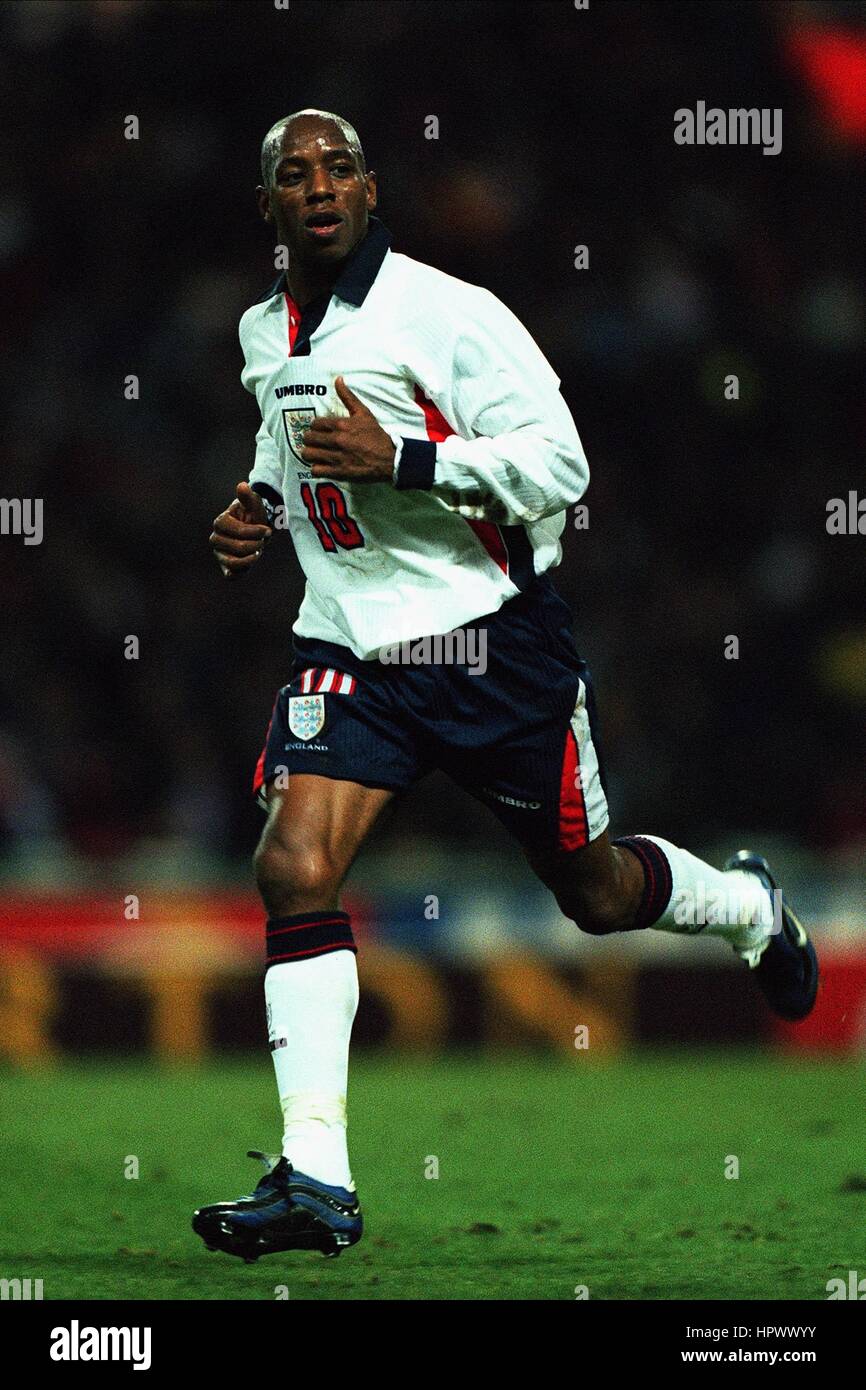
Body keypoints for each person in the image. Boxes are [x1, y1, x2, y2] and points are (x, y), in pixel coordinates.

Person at [192, 109, 818, 1263]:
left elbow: (557, 466)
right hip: (349, 648)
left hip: (485, 646)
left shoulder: (453, 314)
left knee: (590, 887)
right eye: (294, 173)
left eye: (339, 168)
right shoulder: (258, 329)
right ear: (268, 207)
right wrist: (261, 505)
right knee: (290, 864)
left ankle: (741, 906)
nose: (319, 186)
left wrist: (408, 460)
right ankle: (316, 1179)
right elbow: (284, 436)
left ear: (373, 192)